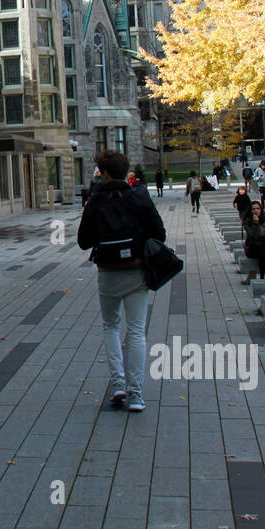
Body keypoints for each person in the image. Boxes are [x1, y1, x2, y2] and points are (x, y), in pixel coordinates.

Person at [77, 149, 166, 412]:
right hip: (137, 271)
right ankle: (136, 394)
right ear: (125, 173)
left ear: (103, 174)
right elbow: (159, 232)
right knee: (137, 330)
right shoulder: (138, 197)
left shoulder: (95, 202)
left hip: (108, 272)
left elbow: (83, 242)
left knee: (111, 326)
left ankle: (118, 384)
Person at [242, 199, 265, 280]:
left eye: (258, 209)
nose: (256, 211)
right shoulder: (247, 221)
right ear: (250, 211)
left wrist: (264, 240)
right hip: (252, 248)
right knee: (262, 249)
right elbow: (254, 235)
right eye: (253, 209)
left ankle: (262, 276)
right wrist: (256, 223)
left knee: (264, 250)